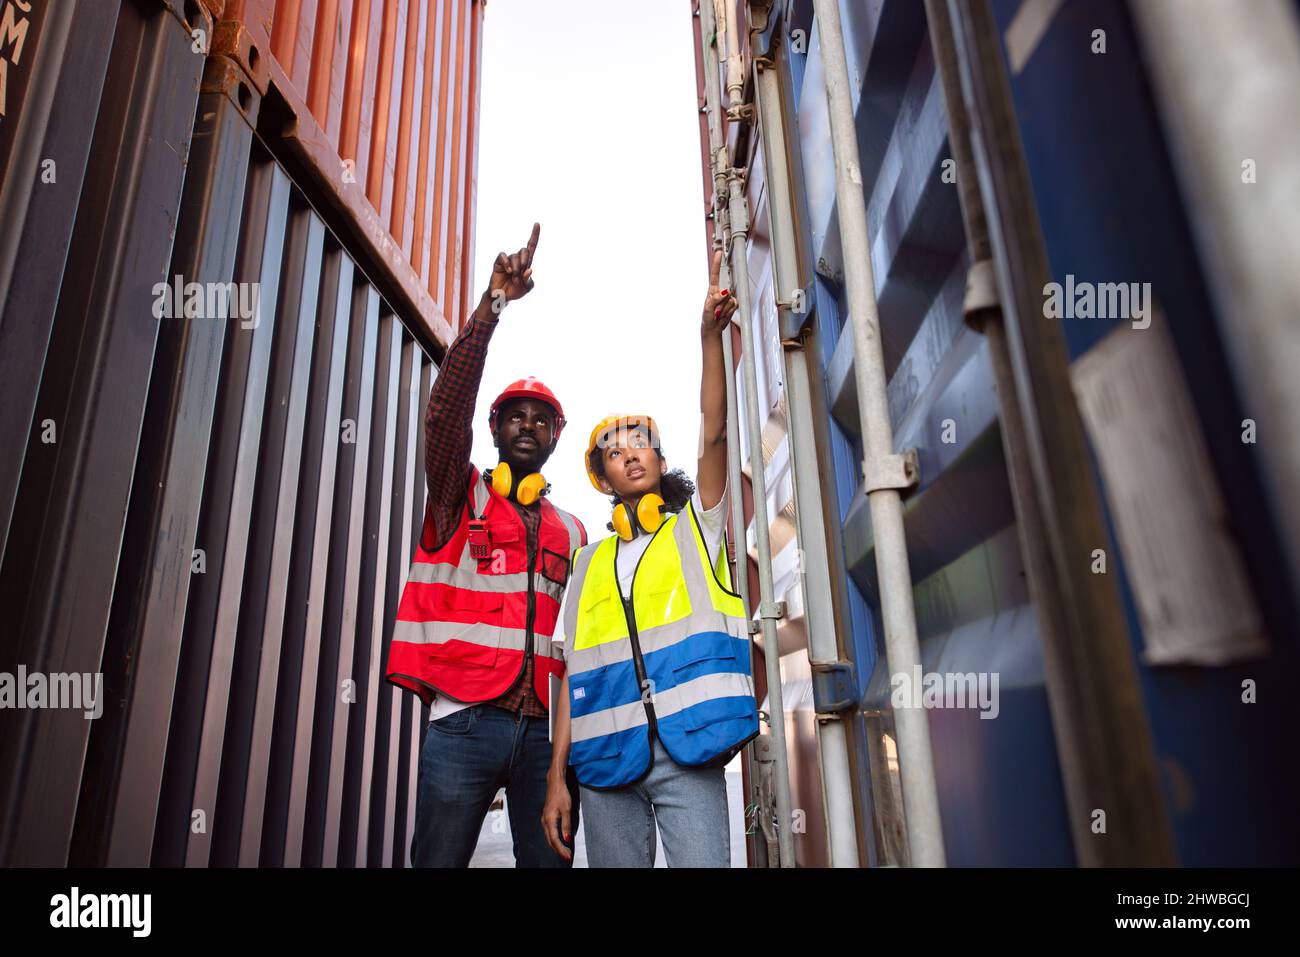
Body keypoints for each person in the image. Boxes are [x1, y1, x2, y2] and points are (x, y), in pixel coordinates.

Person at [540, 250, 759, 867]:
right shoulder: (586, 563)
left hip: (686, 750)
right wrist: (559, 777)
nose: (630, 453)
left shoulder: (698, 527)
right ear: (604, 478)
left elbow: (714, 430)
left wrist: (708, 337)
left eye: (643, 444)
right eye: (615, 450)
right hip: (607, 763)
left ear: (662, 464)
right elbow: (569, 674)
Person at [386, 223, 587, 868]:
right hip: (464, 725)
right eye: (514, 416)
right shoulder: (459, 495)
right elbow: (443, 413)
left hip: (545, 743)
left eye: (542, 419)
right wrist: (492, 306)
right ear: (496, 430)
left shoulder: (575, 533)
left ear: (555, 438)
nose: (528, 425)